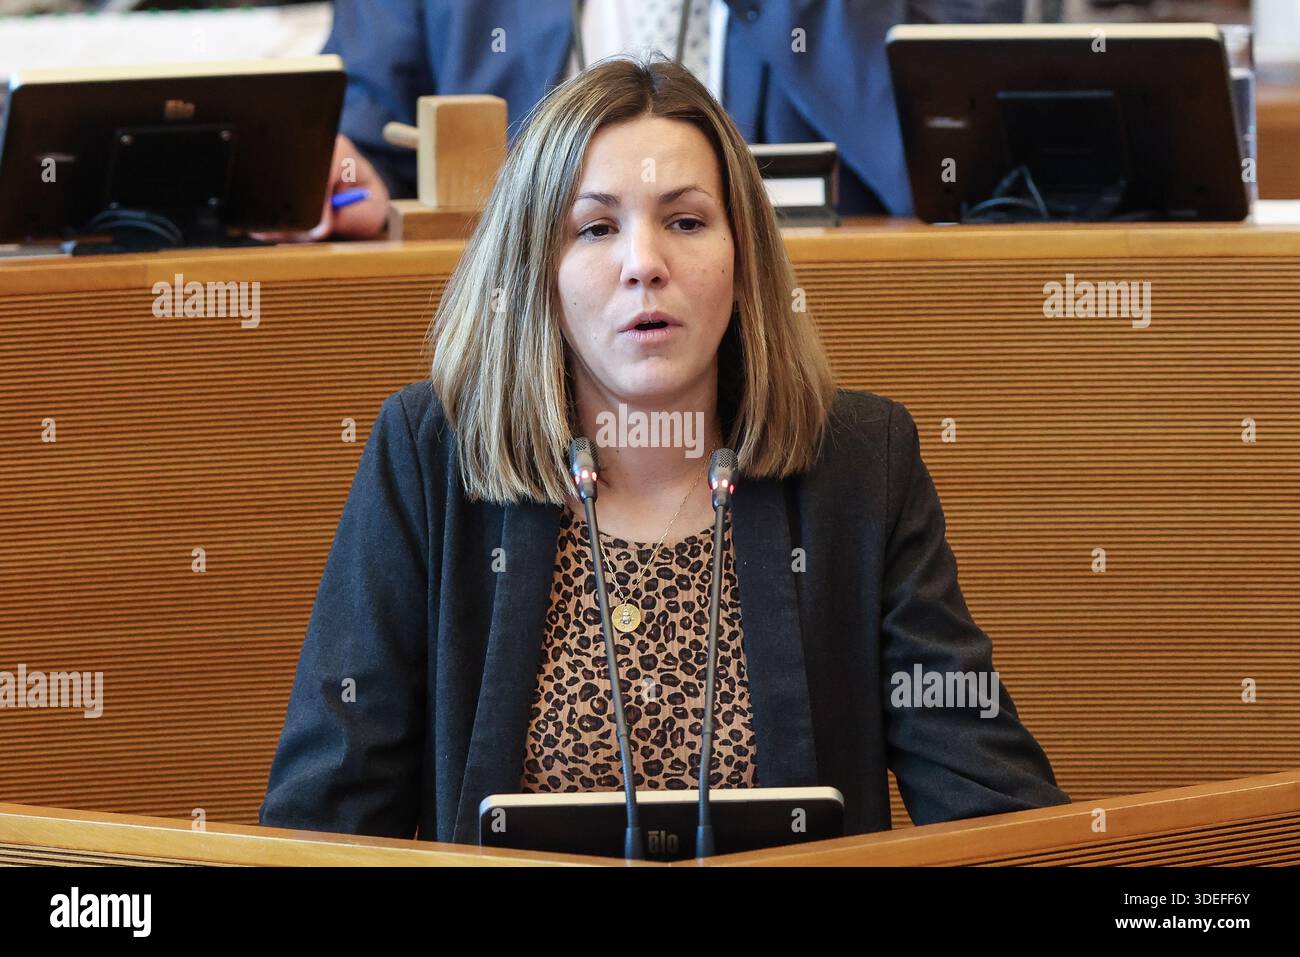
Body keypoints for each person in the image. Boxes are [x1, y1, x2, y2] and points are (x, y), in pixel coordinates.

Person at [259, 54, 1069, 847]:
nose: (645, 264)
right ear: (536, 269)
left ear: (742, 256)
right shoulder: (430, 455)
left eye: (685, 221)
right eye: (596, 227)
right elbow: (322, 822)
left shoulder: (860, 465)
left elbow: (995, 811)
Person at [303, 0, 1025, 239]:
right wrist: (334, 176)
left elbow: (976, 175)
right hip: (511, 353)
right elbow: (360, 139)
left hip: (828, 348)